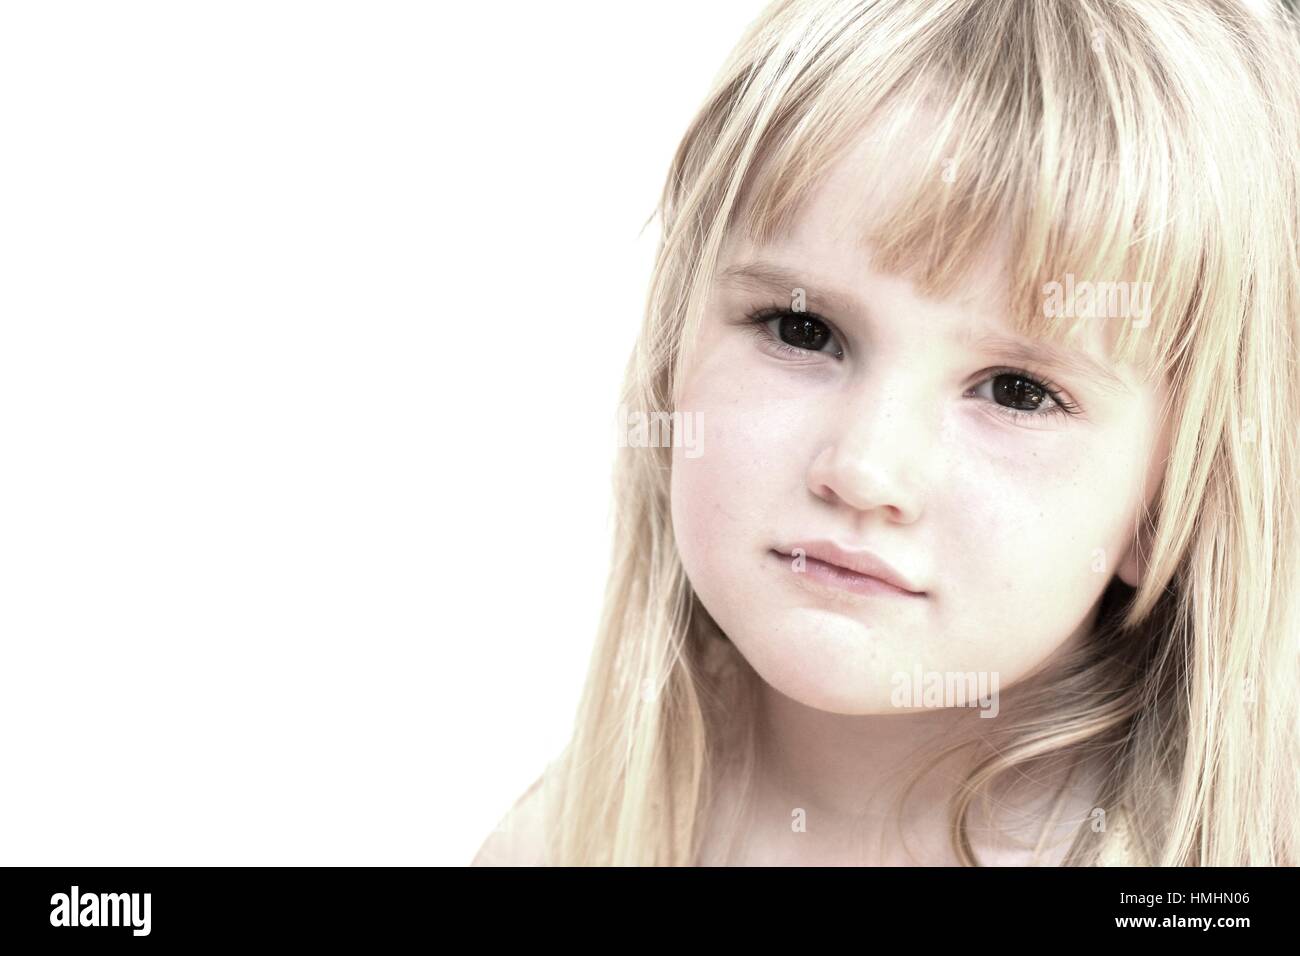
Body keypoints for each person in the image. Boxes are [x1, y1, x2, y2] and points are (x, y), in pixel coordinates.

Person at [475, 0, 1300, 866]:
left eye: (1016, 391)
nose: (865, 471)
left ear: (1167, 501)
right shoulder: (558, 840)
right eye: (801, 331)